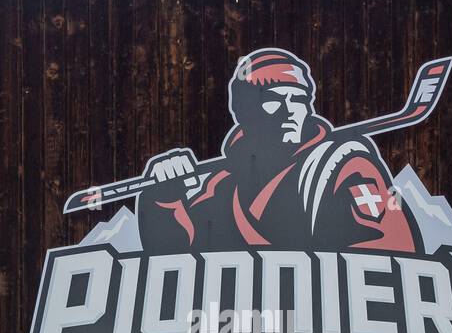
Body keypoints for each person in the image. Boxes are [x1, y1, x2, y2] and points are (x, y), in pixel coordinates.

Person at [135, 48, 421, 255]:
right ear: (245, 112)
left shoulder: (343, 165)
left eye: (297, 99)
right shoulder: (224, 183)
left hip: (322, 332)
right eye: (273, 99)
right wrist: (164, 200)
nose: (290, 111)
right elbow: (178, 258)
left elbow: (391, 252)